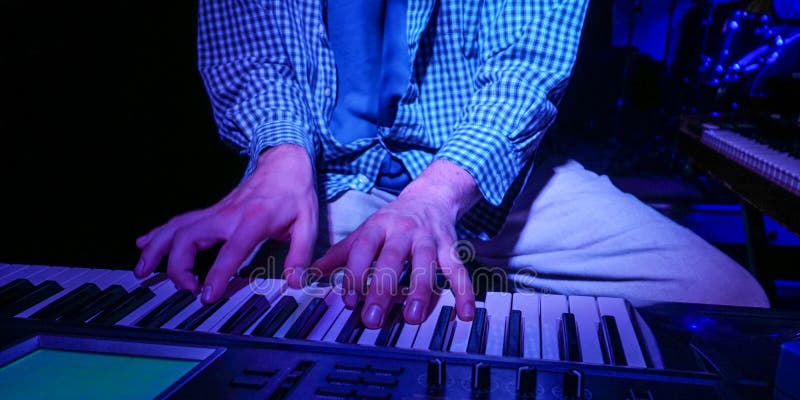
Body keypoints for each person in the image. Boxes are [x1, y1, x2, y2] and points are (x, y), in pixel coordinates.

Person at [134, 0, 768, 332]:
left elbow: (524, 66)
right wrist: (279, 155)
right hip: (324, 176)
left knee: (727, 300)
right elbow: (254, 47)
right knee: (197, 310)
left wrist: (435, 196)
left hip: (481, 174)